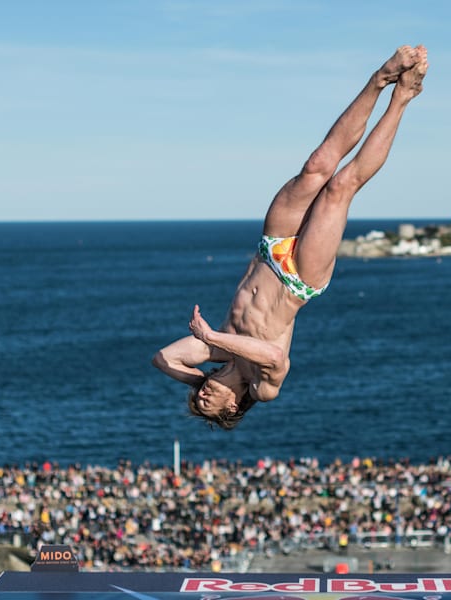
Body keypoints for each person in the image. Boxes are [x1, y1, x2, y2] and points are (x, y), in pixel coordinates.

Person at [152, 45, 429, 429]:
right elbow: (274, 358)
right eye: (206, 405)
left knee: (316, 167)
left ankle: (382, 77)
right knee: (341, 187)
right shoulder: (260, 387)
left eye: (196, 398)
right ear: (233, 409)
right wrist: (212, 336)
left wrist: (198, 376)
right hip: (298, 277)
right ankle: (402, 98)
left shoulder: (216, 352)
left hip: (269, 251)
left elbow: (163, 359)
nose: (200, 398)